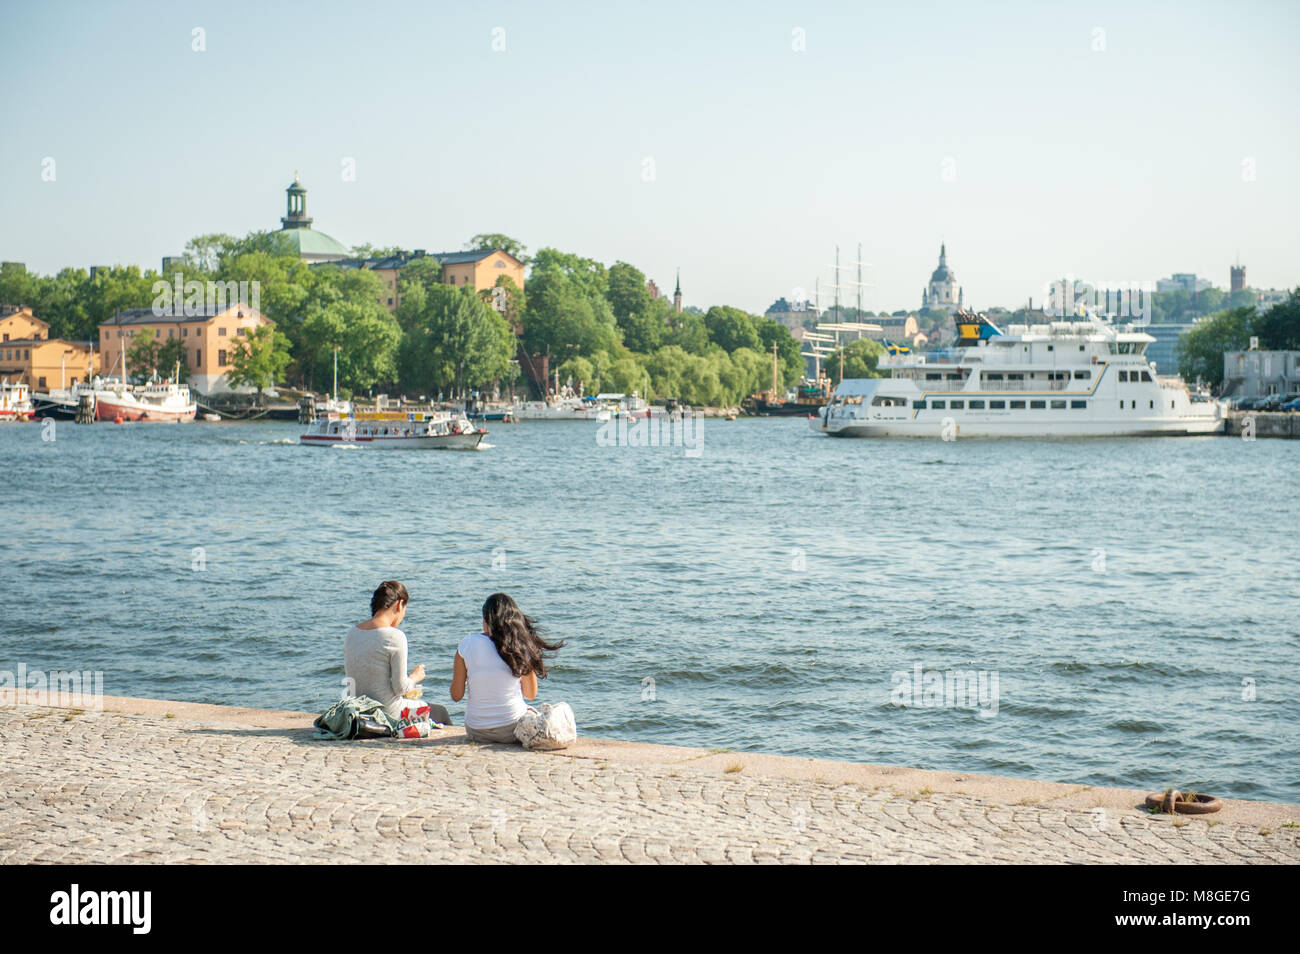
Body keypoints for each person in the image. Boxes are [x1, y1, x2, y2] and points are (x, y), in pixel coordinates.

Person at [451, 593, 565, 744]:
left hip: (475, 730)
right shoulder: (519, 647)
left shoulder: (467, 643)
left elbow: (456, 695)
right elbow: (530, 694)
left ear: (485, 620)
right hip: (511, 730)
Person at [344, 581, 448, 724]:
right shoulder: (394, 636)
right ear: (399, 605)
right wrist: (414, 677)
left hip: (357, 711)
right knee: (440, 712)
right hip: (388, 713)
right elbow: (400, 688)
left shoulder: (352, 633)